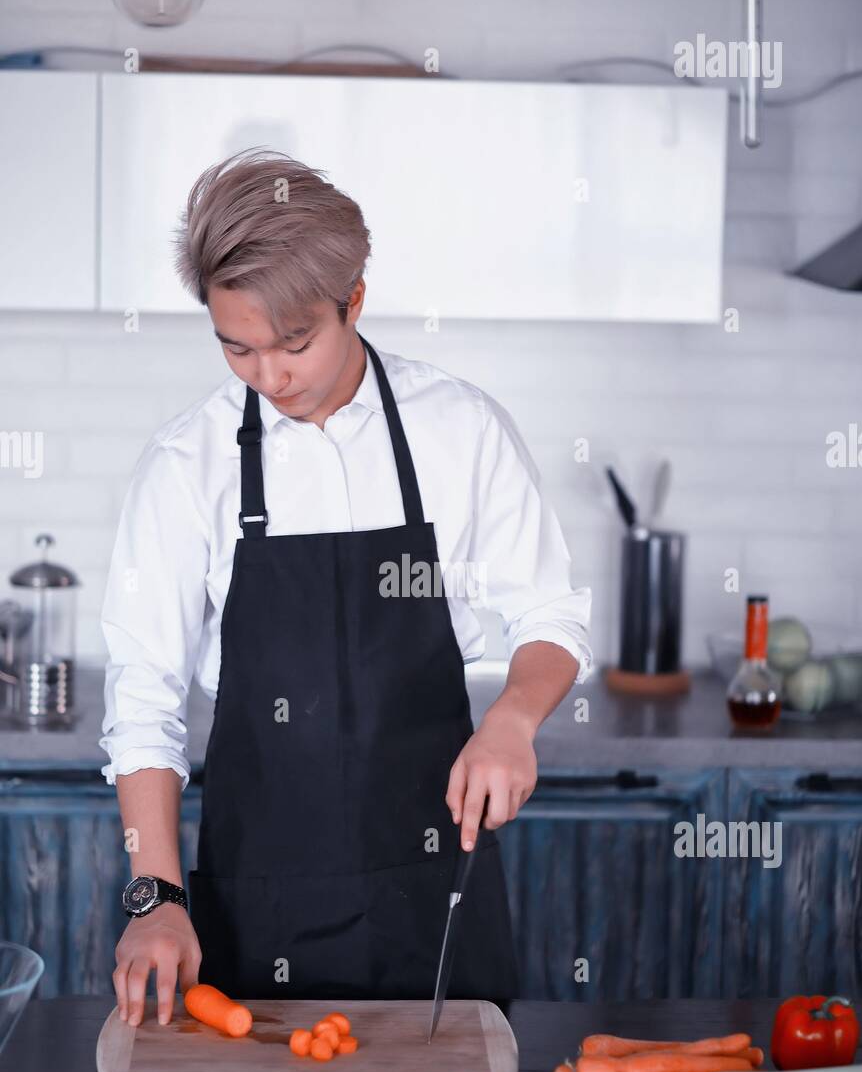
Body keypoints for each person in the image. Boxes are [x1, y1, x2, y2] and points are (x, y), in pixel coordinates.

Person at [101, 149, 592, 1026]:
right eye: (237, 347)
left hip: (438, 894)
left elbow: (549, 614)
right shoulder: (186, 467)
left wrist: (513, 720)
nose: (269, 376)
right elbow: (145, 701)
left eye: (294, 344)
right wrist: (154, 895)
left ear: (354, 300)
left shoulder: (462, 432)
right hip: (257, 906)